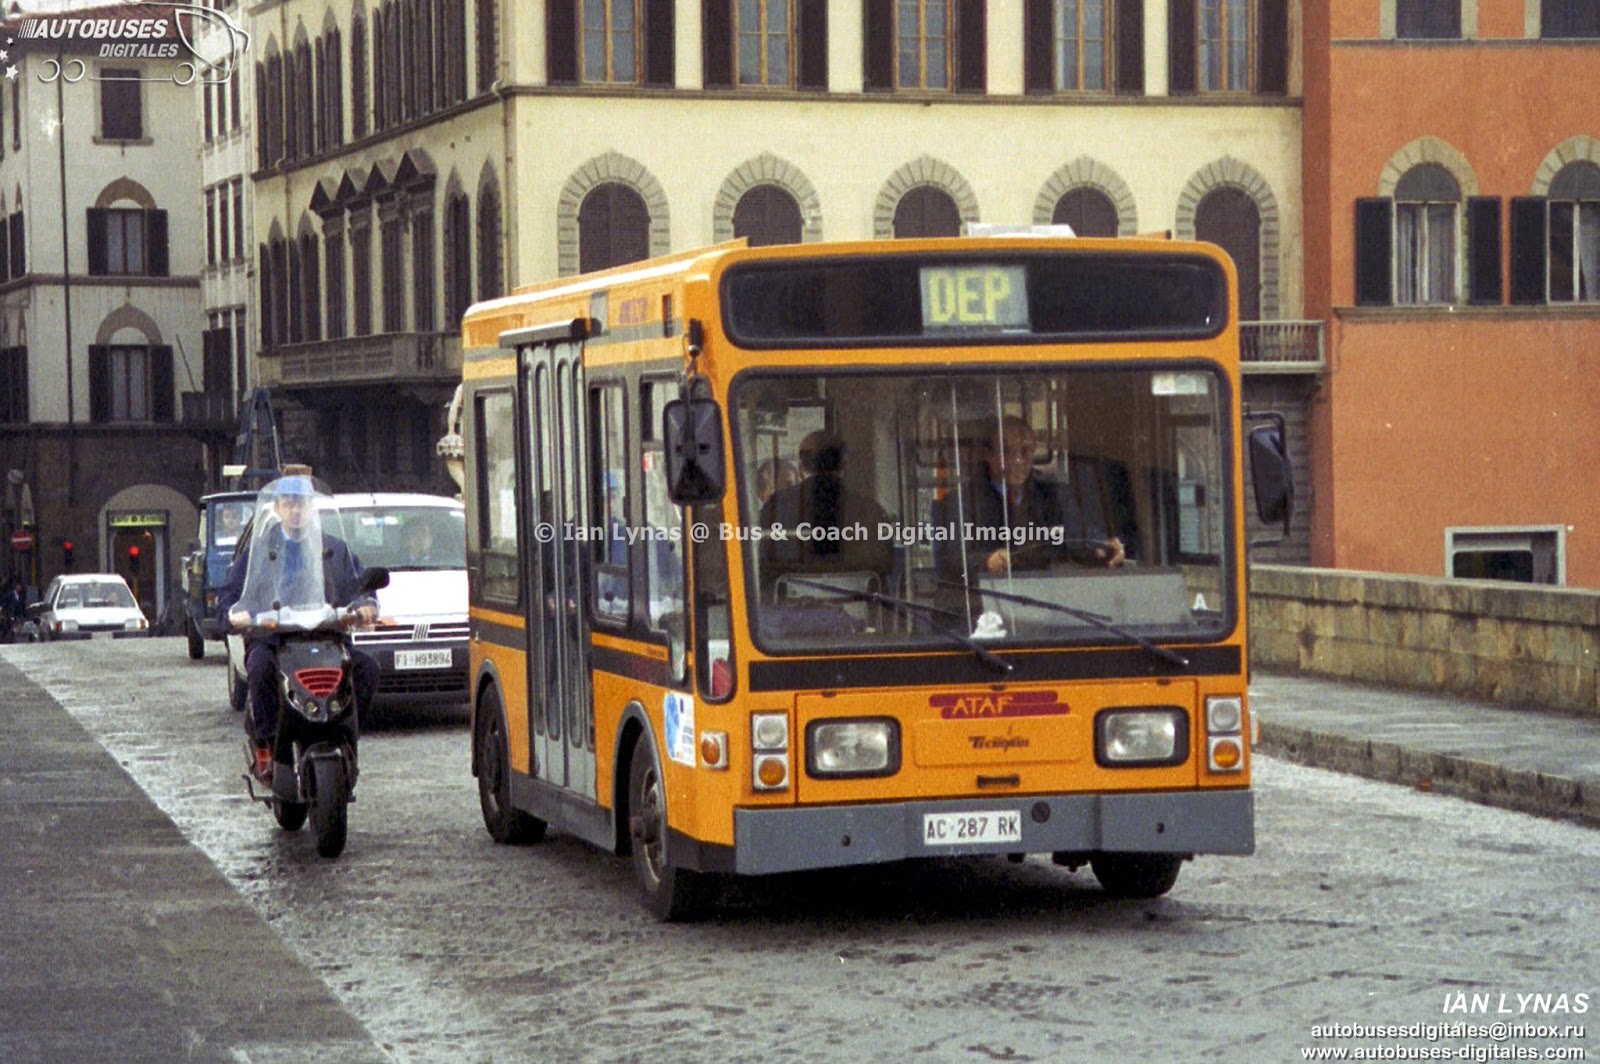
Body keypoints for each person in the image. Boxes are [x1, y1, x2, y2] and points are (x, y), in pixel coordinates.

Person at [216, 472, 380, 782]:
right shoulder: (259, 552)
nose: (296, 511)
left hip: (325, 637)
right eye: (289, 504)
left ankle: (347, 737)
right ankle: (265, 744)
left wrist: (366, 606)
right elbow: (230, 596)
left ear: (312, 507)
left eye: (302, 504)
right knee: (260, 666)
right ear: (276, 507)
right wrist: (235, 615)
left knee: (367, 669)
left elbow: (359, 587)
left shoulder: (335, 550)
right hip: (275, 639)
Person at [956, 415, 1125, 575]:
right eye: (1007, 451)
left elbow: (1077, 538)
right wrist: (987, 561)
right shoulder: (965, 500)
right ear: (988, 455)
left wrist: (1103, 549)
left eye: (1026, 451)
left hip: (1044, 594)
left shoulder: (1051, 495)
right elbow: (951, 558)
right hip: (988, 598)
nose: (1018, 460)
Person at [758, 429, 893, 593]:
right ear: (843, 466)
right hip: (860, 609)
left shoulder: (774, 509)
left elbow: (762, 565)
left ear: (800, 469)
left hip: (787, 610)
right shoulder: (871, 511)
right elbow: (886, 565)